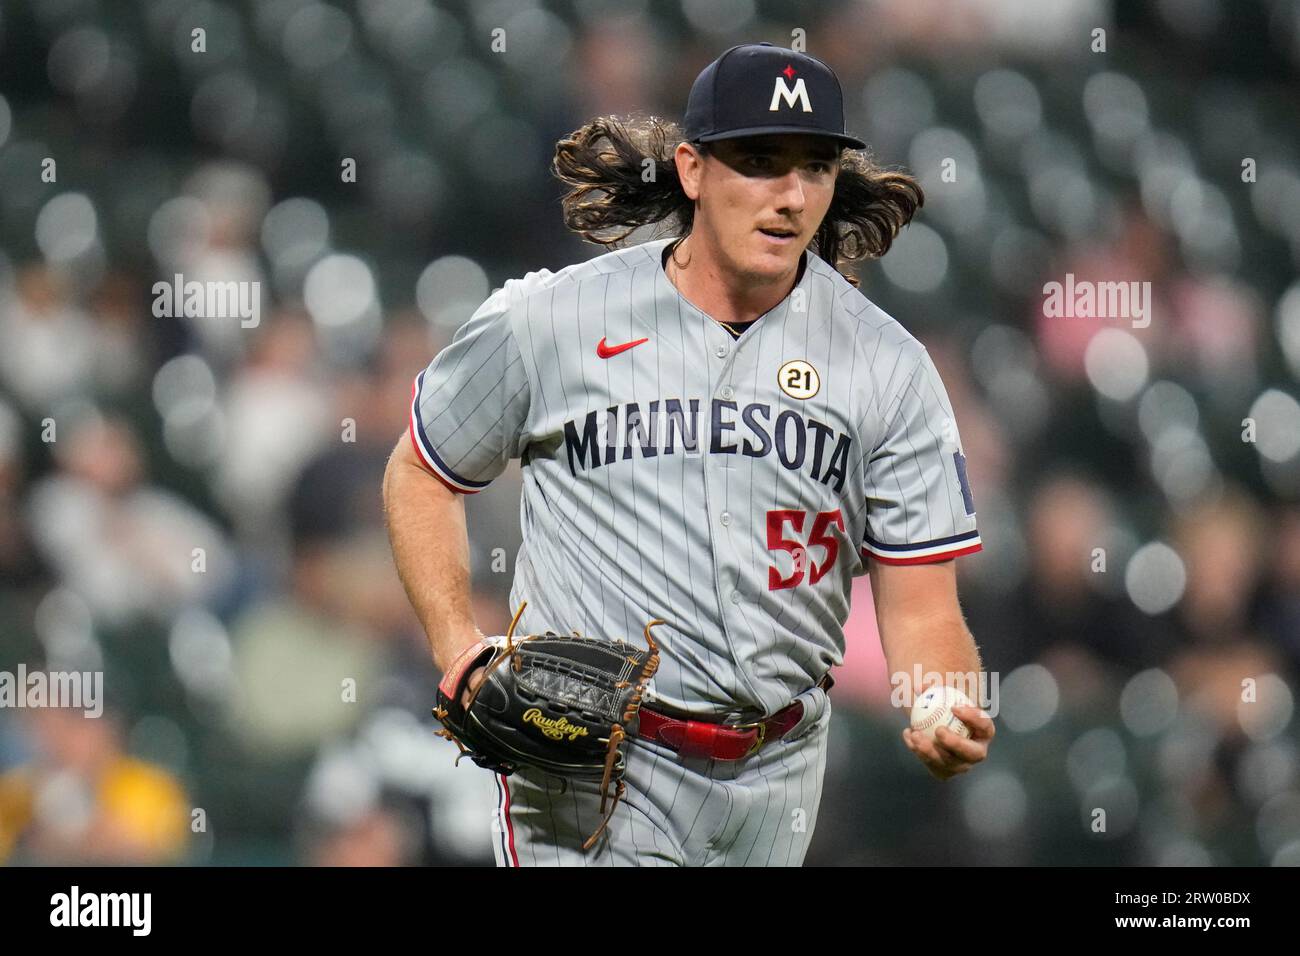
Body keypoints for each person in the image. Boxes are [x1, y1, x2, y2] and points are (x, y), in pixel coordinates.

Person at [384, 42, 993, 867]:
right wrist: (458, 645)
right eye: (759, 161)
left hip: (779, 771)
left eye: (814, 167)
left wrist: (942, 698)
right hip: (592, 769)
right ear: (693, 169)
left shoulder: (888, 367)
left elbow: (923, 605)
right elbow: (424, 467)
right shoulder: (554, 321)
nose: (788, 195)